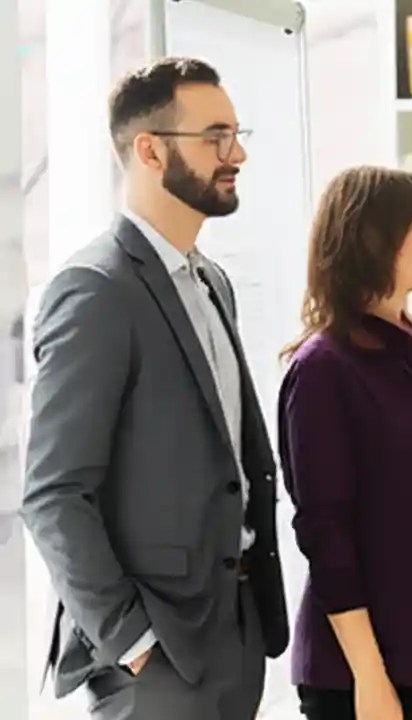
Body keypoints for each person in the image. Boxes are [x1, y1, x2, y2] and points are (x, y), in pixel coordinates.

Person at [20, 57, 289, 719]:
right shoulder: (95, 290)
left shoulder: (212, 283)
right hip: (156, 657)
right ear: (148, 150)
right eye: (215, 137)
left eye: (237, 133)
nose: (239, 154)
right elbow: (53, 493)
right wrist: (131, 640)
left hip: (233, 633)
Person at [277, 165, 412, 720]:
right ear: (372, 235)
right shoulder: (323, 369)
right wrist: (370, 681)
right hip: (365, 680)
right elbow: (326, 537)